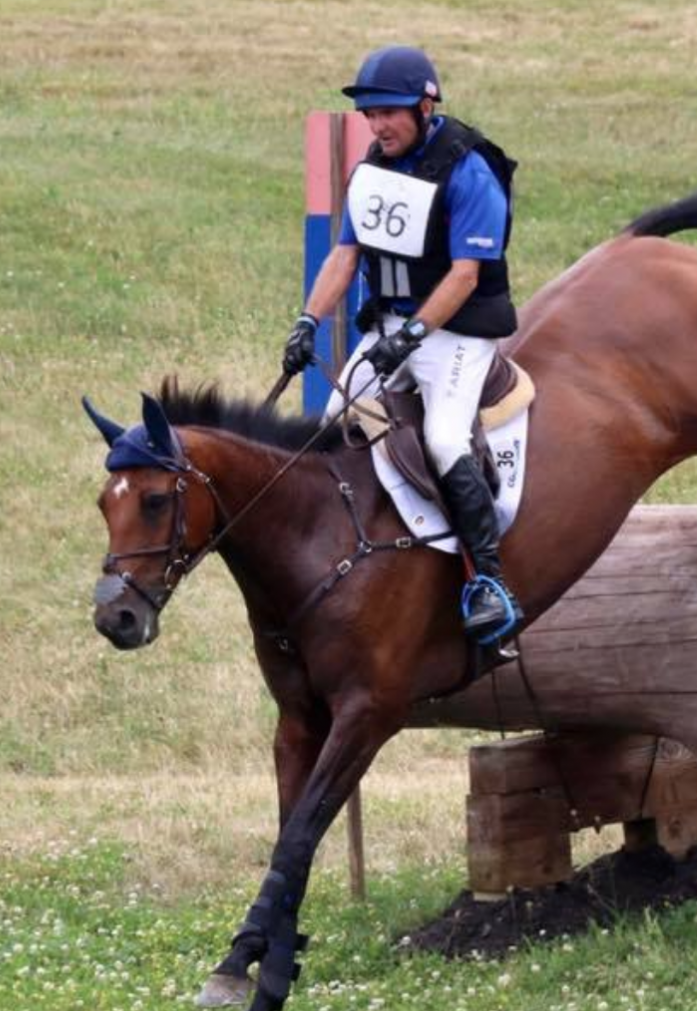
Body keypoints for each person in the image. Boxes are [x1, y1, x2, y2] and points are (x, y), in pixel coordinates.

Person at [281, 45, 522, 645]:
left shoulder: (470, 170)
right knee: (334, 423)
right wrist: (308, 321)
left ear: (425, 106)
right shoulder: (373, 170)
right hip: (391, 328)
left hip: (456, 332)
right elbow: (345, 256)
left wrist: (413, 335)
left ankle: (487, 583)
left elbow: (464, 276)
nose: (377, 125)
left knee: (443, 439)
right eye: (370, 114)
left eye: (388, 112)